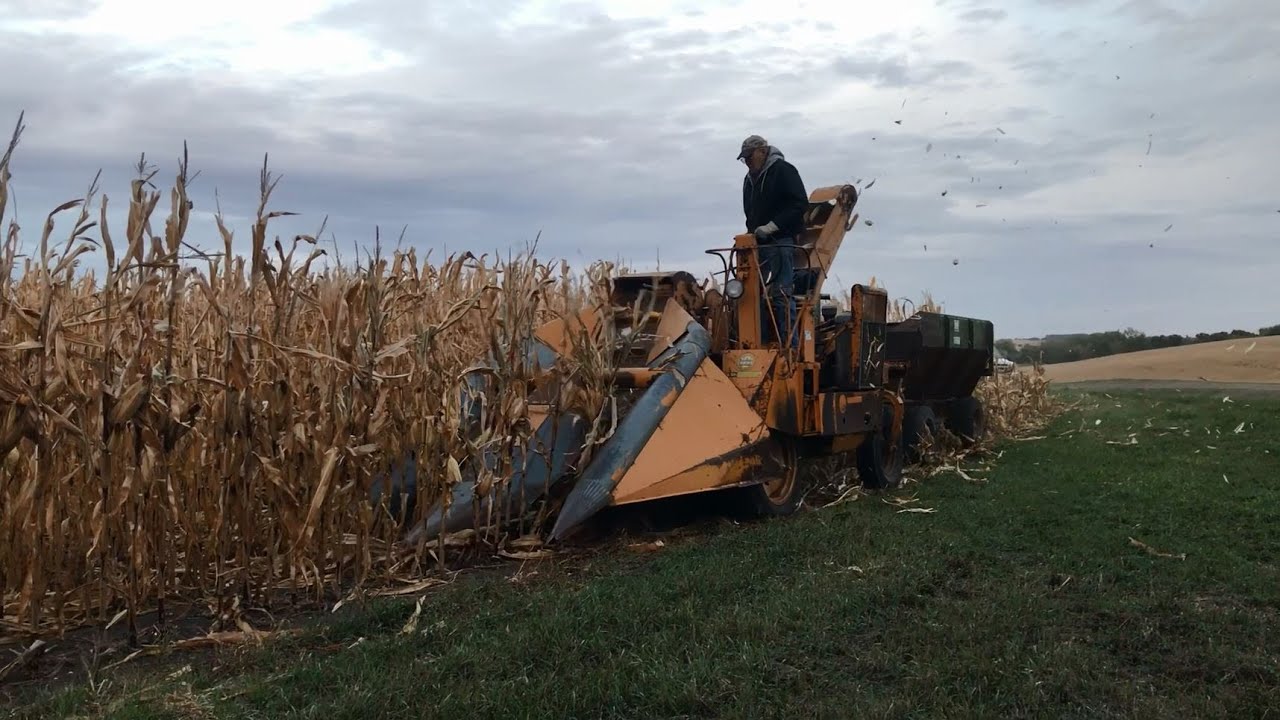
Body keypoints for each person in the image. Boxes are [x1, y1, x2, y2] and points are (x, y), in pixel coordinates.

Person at [738, 134, 807, 347]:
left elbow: (799, 204)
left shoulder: (784, 171)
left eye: (750, 156)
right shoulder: (749, 181)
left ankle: (790, 348)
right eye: (745, 158)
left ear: (762, 151)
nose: (748, 161)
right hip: (758, 245)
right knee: (748, 296)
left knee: (781, 293)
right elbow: (750, 214)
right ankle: (756, 344)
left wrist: (772, 226)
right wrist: (750, 235)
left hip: (781, 241)